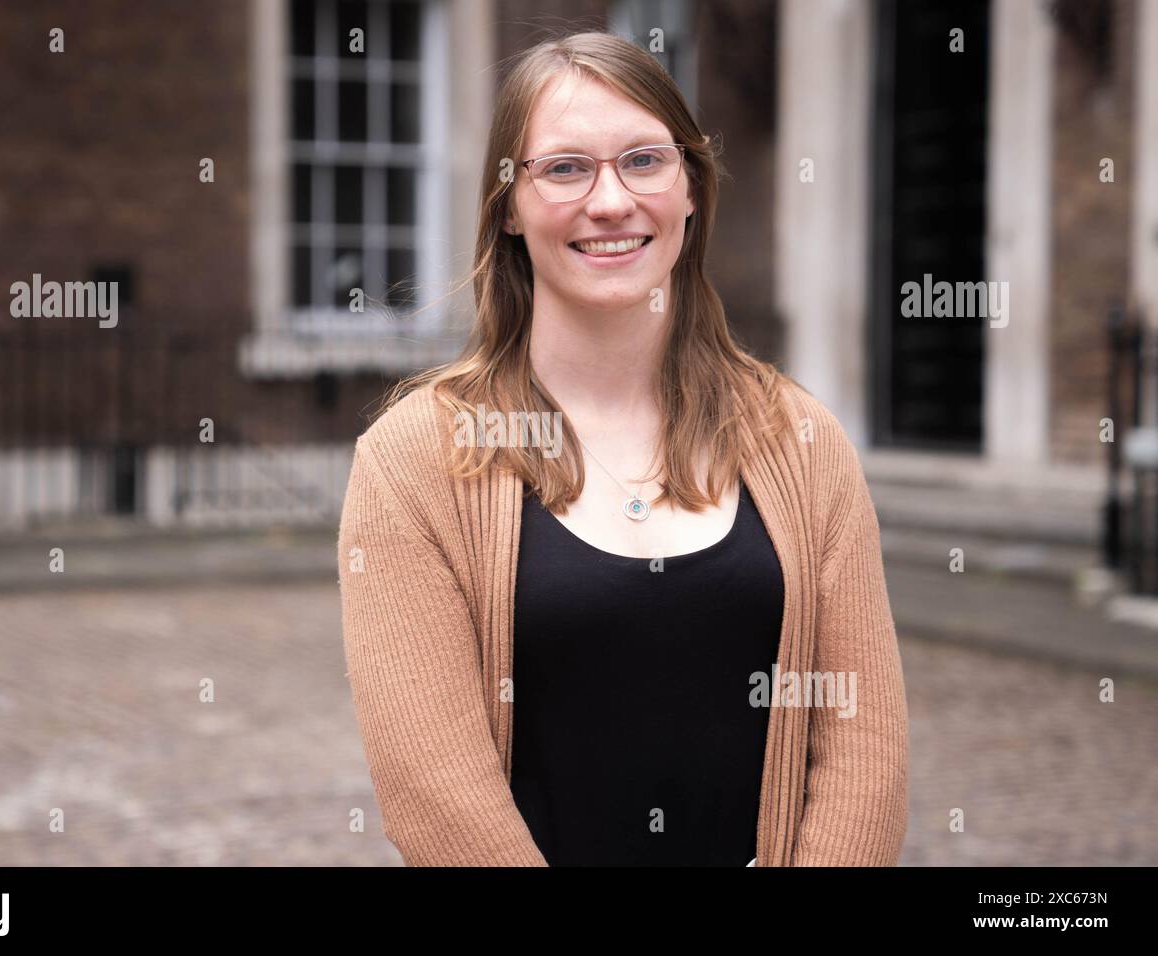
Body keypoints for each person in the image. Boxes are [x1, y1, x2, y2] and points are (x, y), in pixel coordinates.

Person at [337, 30, 909, 866]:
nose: (610, 202)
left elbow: (866, 749)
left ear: (689, 190)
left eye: (644, 160)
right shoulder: (416, 461)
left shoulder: (801, 440)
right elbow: (436, 795)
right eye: (565, 168)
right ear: (507, 206)